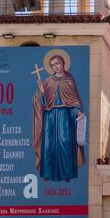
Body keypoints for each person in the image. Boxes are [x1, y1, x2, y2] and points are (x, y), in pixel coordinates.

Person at [32, 50, 86, 182]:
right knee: (49, 145)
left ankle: (66, 174)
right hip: (50, 117)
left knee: (65, 143)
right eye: (52, 65)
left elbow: (74, 101)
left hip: (65, 117)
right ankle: (48, 174)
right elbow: (43, 103)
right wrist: (41, 92)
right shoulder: (49, 80)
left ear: (63, 63)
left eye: (57, 63)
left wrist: (78, 111)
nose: (55, 67)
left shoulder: (69, 80)